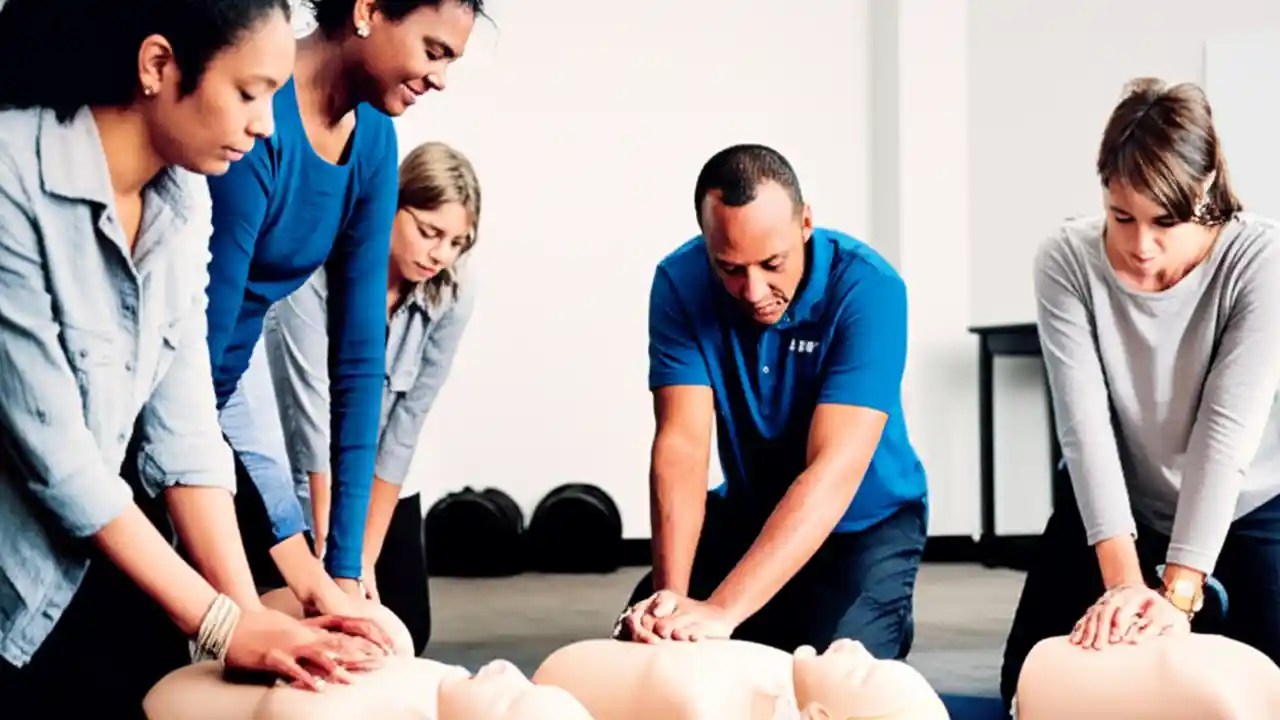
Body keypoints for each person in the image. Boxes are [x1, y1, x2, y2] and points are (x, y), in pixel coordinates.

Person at [0, 0, 390, 715]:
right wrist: (221, 626)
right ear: (157, 65)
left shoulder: (185, 195)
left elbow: (186, 430)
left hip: (81, 556)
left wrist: (251, 616)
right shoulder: (8, 180)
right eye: (249, 92)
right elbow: (58, 461)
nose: (267, 124)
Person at [999, 77, 1280, 709]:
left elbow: (1225, 434)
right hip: (1116, 506)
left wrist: (1178, 595)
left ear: (1204, 192)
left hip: (1248, 504)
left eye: (1164, 222)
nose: (1139, 246)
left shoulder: (1260, 259)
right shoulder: (1065, 261)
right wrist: (1123, 590)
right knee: (1029, 683)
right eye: (1121, 215)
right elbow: (1085, 430)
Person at [203, 0, 482, 618]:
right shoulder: (259, 117)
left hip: (214, 409)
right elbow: (193, 371)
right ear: (368, 12)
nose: (441, 78)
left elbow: (358, 363)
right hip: (175, 409)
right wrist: (291, 556)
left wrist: (346, 571)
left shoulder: (375, 140)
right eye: (433, 51)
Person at [618, 143, 929, 659]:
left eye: (771, 263)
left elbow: (833, 471)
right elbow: (682, 447)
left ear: (805, 223)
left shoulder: (869, 288)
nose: (754, 289)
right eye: (731, 269)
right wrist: (672, 603)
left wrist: (720, 612)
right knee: (639, 643)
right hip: (751, 509)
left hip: (861, 519)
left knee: (827, 672)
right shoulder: (680, 281)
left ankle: (878, 612)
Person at [262, 140, 481, 654]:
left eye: (457, 241)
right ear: (391, 203)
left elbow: (407, 423)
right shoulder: (314, 272)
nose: (440, 254)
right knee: (304, 617)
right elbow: (309, 420)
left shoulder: (453, 288)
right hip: (289, 467)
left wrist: (360, 563)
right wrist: (328, 567)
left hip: (376, 473)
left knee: (402, 626)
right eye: (429, 232)